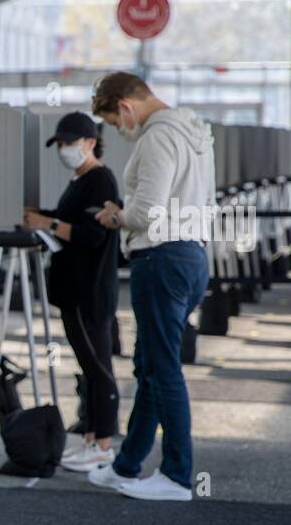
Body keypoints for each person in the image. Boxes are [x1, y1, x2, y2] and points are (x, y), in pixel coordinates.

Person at [86, 72, 213, 501]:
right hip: (192, 254)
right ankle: (127, 464)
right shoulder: (194, 131)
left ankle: (177, 475)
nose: (121, 131)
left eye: (116, 122)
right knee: (151, 366)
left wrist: (115, 215)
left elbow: (148, 213)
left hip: (160, 257)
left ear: (124, 105)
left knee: (163, 370)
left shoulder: (158, 137)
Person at [23, 111, 121, 473]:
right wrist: (44, 216)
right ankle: (92, 438)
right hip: (74, 290)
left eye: (69, 143)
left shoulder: (100, 180)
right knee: (89, 367)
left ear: (90, 142)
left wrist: (47, 222)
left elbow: (93, 234)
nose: (64, 149)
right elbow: (74, 220)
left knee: (98, 368)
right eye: (60, 144)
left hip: (89, 290)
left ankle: (104, 443)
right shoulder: (80, 180)